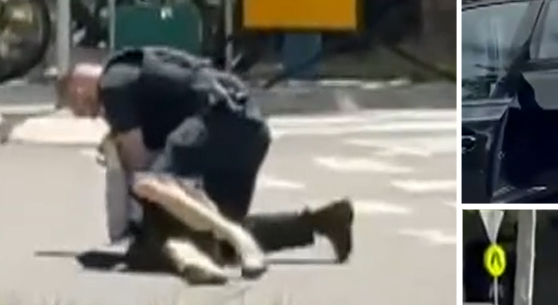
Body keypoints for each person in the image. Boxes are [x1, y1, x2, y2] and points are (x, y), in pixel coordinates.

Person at [57, 47, 354, 284]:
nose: (91, 116)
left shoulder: (113, 86)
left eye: (80, 109)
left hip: (217, 120)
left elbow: (141, 164)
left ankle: (193, 255)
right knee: (208, 228)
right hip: (249, 127)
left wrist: (121, 179)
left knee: (151, 193)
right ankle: (321, 222)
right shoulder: (136, 71)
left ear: (79, 90)